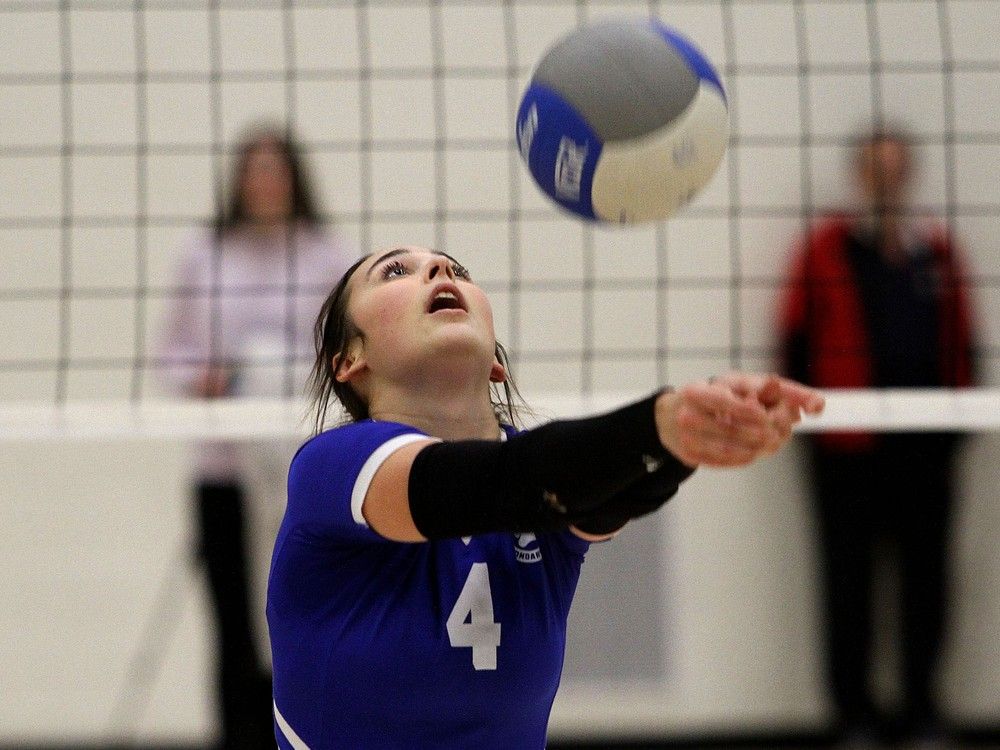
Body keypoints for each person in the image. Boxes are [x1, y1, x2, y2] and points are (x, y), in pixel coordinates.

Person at [266, 244, 826, 749]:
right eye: (395, 271)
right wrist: (664, 425)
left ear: (494, 364)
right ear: (348, 362)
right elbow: (482, 485)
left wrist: (702, 429)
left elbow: (604, 494)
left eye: (457, 268)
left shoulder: (545, 480)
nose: (438, 269)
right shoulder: (331, 470)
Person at [777, 127, 977, 747]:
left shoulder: (936, 252)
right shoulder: (826, 250)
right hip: (848, 452)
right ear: (860, 175)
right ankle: (853, 717)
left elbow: (964, 345)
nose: (886, 177)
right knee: (848, 586)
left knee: (928, 584)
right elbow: (793, 345)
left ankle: (921, 710)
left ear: (909, 174)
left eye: (896, 167)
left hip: (925, 447)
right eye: (875, 167)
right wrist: (814, 429)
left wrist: (955, 433)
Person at [158, 125, 356, 749]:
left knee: (308, 619)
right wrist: (207, 378)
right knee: (234, 628)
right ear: (239, 181)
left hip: (307, 475)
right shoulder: (203, 253)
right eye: (255, 169)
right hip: (224, 471)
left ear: (295, 178)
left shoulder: (329, 254)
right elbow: (170, 357)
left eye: (277, 169)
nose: (266, 181)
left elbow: (351, 356)